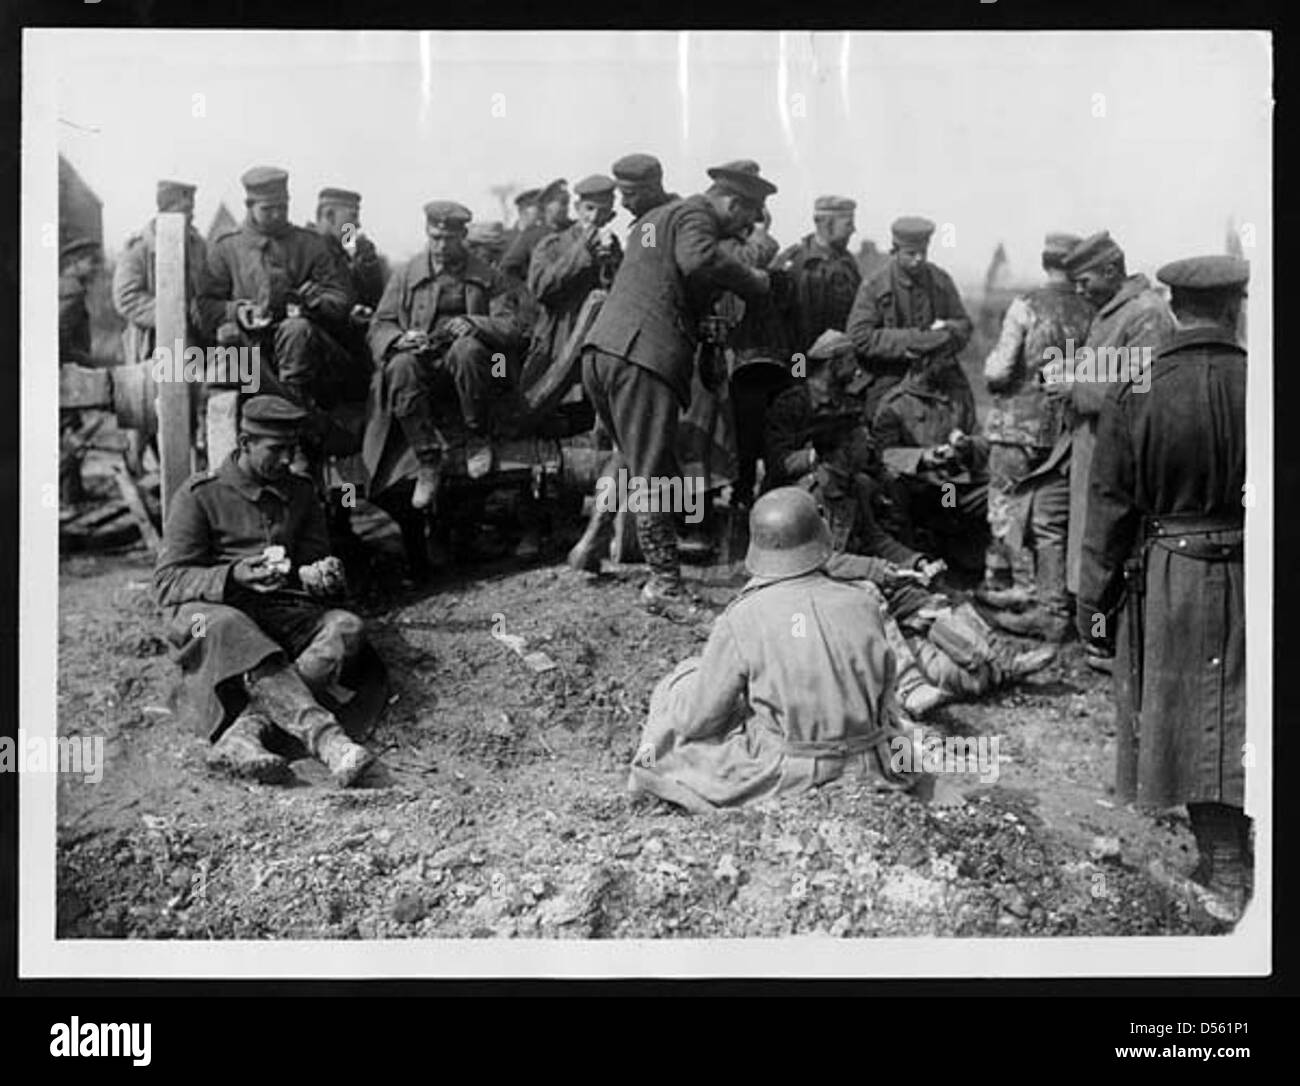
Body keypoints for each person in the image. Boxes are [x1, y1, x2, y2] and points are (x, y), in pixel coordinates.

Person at [1077, 255, 1249, 923]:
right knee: (1240, 710)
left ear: (1175, 308)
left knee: (1191, 715)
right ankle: (1234, 857)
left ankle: (1226, 869)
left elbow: (1111, 508)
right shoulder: (1260, 382)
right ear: (1236, 307)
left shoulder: (1139, 390)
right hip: (1252, 569)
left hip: (1173, 575)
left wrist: (1094, 604)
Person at [627, 488, 968, 812]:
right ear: (821, 536)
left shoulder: (743, 616)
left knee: (673, 713)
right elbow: (885, 699)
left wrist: (681, 684)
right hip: (874, 763)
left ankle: (644, 778)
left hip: (792, 773)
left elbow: (697, 721)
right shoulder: (865, 602)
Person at [576, 161, 776, 615]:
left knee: (629, 453)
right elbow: (699, 259)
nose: (747, 229)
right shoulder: (695, 215)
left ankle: (593, 542)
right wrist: (756, 282)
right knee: (656, 471)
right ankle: (665, 583)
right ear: (732, 202)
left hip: (602, 352)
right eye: (748, 217)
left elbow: (665, 275)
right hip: (642, 357)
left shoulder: (653, 220)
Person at [153, 395, 378, 787]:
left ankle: (246, 733)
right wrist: (232, 575)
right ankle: (329, 740)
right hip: (207, 616)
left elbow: (313, 560)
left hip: (278, 607)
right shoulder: (199, 495)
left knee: (346, 628)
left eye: (292, 449)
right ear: (244, 443)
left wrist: (320, 575)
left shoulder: (301, 492)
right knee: (232, 626)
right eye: (276, 450)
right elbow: (167, 581)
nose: (288, 460)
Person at [1060, 231, 1174, 670]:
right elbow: (1113, 373)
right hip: (1096, 444)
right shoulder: (1113, 311)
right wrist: (1073, 373)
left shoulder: (1146, 314)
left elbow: (1141, 389)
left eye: (1085, 280)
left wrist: (1075, 386)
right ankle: (1098, 636)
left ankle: (1111, 645)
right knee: (1096, 543)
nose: (1079, 289)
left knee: (1113, 545)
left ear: (1111, 270)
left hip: (1121, 452)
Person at [362, 200, 525, 508]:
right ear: (426, 232)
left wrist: (474, 323)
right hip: (423, 368)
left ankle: (477, 439)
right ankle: (427, 458)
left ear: (462, 236)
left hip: (475, 373)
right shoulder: (406, 274)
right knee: (399, 366)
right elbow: (380, 323)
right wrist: (400, 338)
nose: (440, 246)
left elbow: (514, 327)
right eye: (434, 237)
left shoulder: (488, 275)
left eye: (448, 239)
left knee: (467, 349)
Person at [977, 232, 1096, 641]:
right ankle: (1054, 594)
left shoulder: (1026, 305)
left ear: (1045, 262)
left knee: (1007, 505)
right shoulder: (1092, 309)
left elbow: (999, 370)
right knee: (1054, 516)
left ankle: (1014, 585)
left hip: (1016, 426)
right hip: (1065, 429)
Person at [196, 167, 360, 442]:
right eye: (268, 209)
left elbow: (342, 299)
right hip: (248, 352)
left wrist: (313, 301)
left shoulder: (310, 245)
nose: (277, 215)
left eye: (283, 208)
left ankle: (293, 429)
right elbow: (204, 307)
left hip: (310, 353)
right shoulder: (226, 249)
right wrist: (237, 311)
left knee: (296, 330)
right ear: (249, 206)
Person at [871, 341, 991, 581]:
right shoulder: (895, 404)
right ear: (924, 363)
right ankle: (915, 564)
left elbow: (981, 439)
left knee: (1002, 490)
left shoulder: (956, 396)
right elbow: (881, 455)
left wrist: (968, 446)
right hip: (923, 491)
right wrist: (925, 457)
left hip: (957, 489)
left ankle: (992, 569)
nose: (951, 364)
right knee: (892, 483)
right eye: (944, 359)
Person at [846, 215, 974, 421]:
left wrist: (946, 334)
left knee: (962, 418)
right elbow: (859, 337)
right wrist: (916, 341)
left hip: (936, 374)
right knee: (881, 424)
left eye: (923, 252)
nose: (919, 259)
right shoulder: (875, 285)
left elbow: (964, 325)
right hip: (889, 374)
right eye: (911, 253)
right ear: (895, 251)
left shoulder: (940, 281)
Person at [523, 174, 621, 391]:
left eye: (604, 211)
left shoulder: (613, 245)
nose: (595, 217)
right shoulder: (552, 245)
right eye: (590, 209)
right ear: (577, 208)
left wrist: (610, 264)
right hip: (560, 342)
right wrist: (583, 251)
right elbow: (541, 288)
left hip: (601, 343)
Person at [112, 180, 207, 365]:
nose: (190, 217)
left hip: (196, 339)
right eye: (183, 211)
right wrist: (174, 313)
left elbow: (206, 287)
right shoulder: (139, 249)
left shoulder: (197, 245)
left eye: (191, 211)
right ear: (164, 212)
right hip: (153, 344)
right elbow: (126, 298)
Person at [771, 195, 863, 354]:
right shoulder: (793, 263)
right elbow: (783, 330)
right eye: (848, 224)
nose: (853, 230)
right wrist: (798, 373)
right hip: (800, 358)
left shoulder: (848, 262)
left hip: (840, 361)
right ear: (827, 224)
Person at [310, 187, 388, 312]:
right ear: (330, 216)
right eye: (353, 216)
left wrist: (368, 267)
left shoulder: (348, 250)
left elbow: (376, 304)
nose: (358, 224)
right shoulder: (304, 251)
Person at [499, 178, 570, 282]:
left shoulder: (574, 230)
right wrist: (523, 293)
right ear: (547, 205)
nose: (566, 209)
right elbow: (508, 269)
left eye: (567, 203)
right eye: (562, 203)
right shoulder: (532, 235)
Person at [58, 237, 103, 364]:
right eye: (93, 262)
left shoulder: (63, 286)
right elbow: (59, 338)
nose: (97, 268)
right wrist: (86, 362)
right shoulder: (72, 293)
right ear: (74, 263)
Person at [610, 153, 677, 221]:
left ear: (652, 190)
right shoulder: (649, 219)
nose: (624, 203)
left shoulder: (679, 218)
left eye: (629, 195)